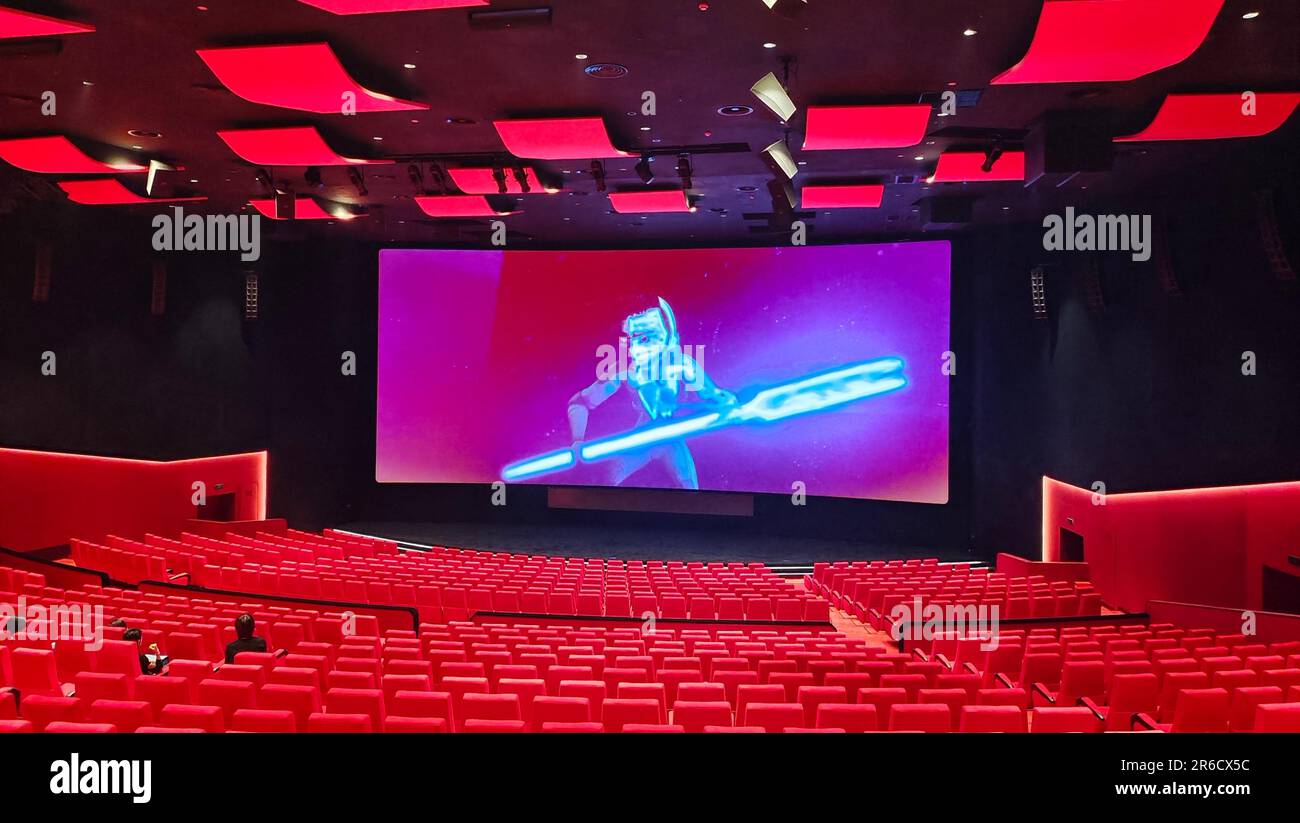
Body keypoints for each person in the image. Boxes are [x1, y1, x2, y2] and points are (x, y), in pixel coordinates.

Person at [566, 297, 735, 489]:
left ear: (667, 337)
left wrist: (729, 403)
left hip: (671, 438)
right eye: (634, 338)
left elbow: (714, 396)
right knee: (608, 480)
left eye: (647, 338)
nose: (638, 347)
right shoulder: (624, 371)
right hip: (643, 437)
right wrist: (577, 440)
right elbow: (580, 402)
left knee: (690, 488)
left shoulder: (682, 364)